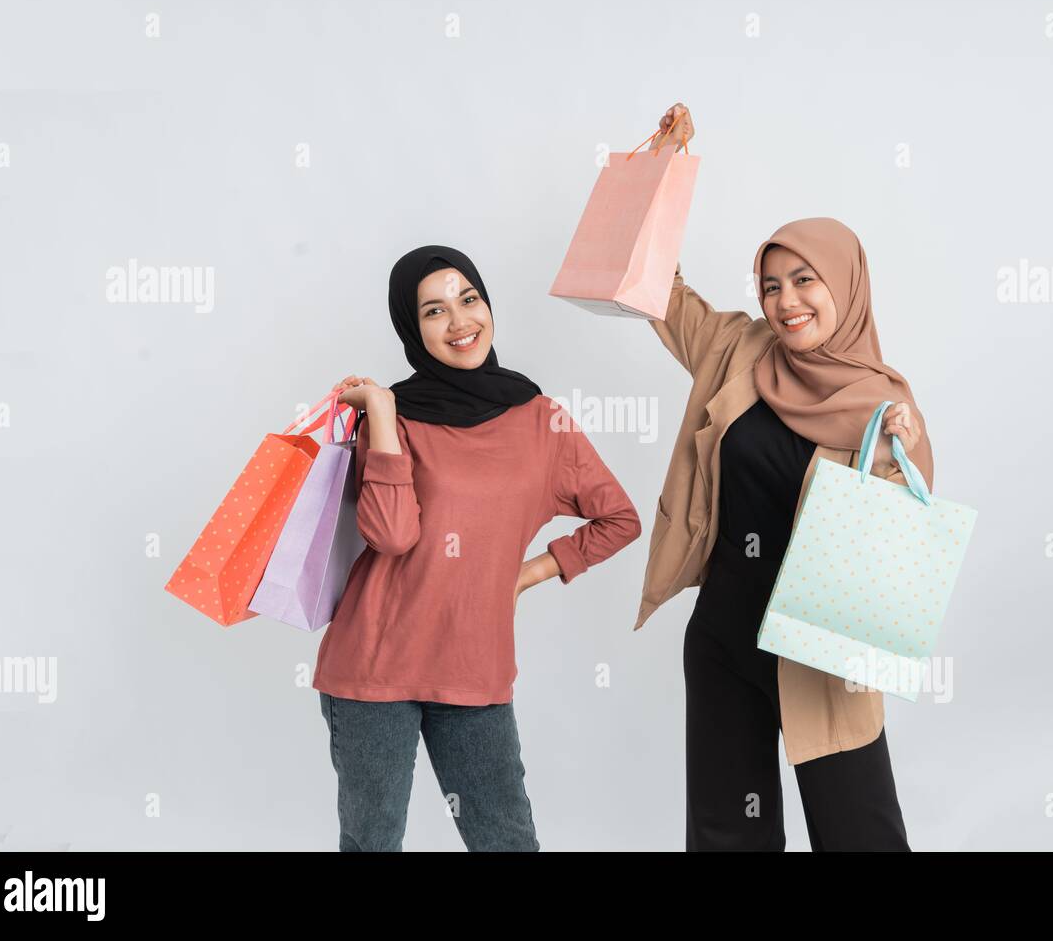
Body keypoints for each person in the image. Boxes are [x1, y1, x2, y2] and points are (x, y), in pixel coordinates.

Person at [637, 104, 932, 851]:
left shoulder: (881, 402)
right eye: (771, 285)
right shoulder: (738, 349)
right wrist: (664, 165)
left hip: (824, 657)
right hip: (725, 641)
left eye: (805, 281)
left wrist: (907, 452)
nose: (786, 301)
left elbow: (903, 537)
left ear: (846, 286)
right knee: (727, 835)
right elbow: (654, 285)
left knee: (859, 832)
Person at [314, 244, 642, 851]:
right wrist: (383, 415)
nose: (461, 322)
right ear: (412, 328)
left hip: (475, 670)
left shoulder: (542, 420)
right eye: (435, 311)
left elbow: (619, 519)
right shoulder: (394, 418)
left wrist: (528, 573)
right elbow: (390, 535)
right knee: (372, 843)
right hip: (373, 668)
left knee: (506, 841)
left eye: (469, 300)